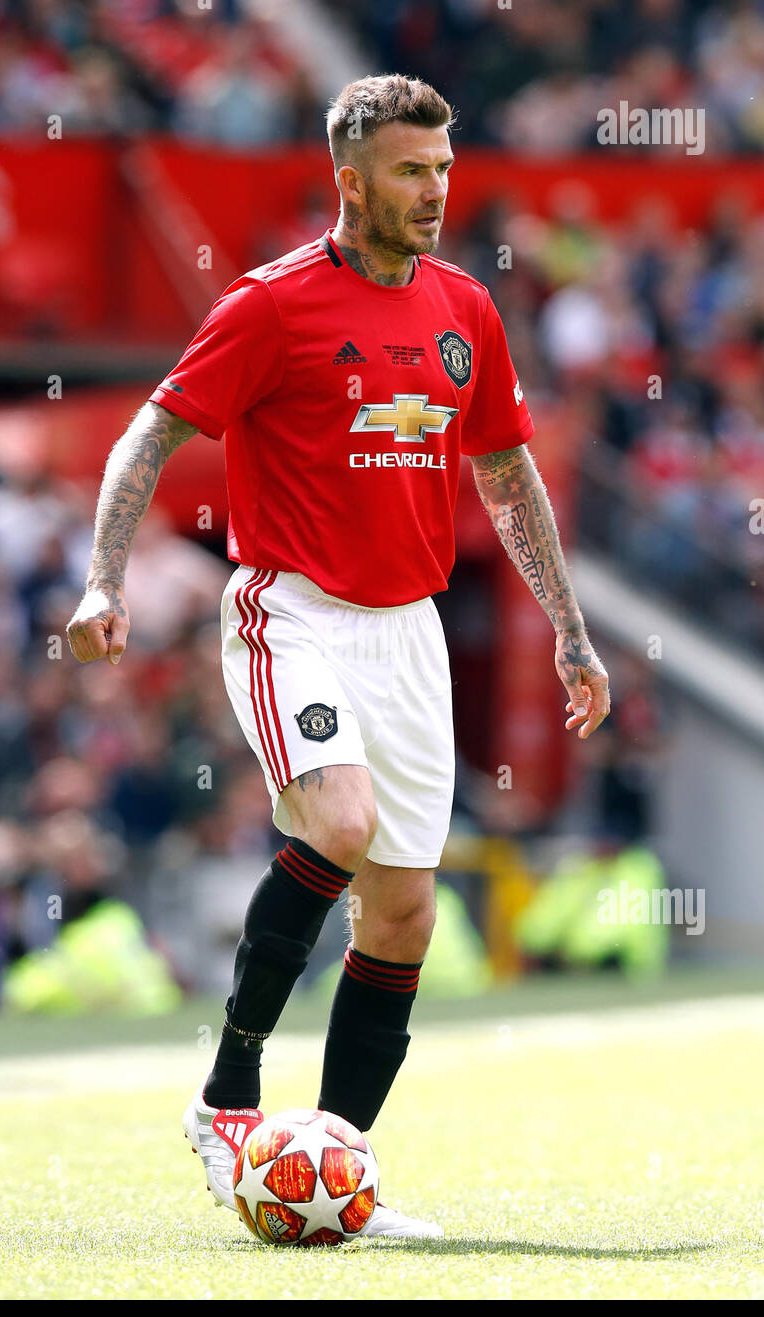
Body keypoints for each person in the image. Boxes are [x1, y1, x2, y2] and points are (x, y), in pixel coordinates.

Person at [66, 74, 610, 1239]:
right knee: (342, 824)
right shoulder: (268, 307)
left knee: (403, 917)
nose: (434, 191)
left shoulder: (465, 308)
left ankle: (338, 1171)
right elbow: (147, 434)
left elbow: (506, 475)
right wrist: (104, 577)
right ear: (350, 180)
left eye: (444, 170)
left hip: (408, 632)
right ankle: (225, 1097)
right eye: (412, 172)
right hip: (291, 609)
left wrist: (567, 629)